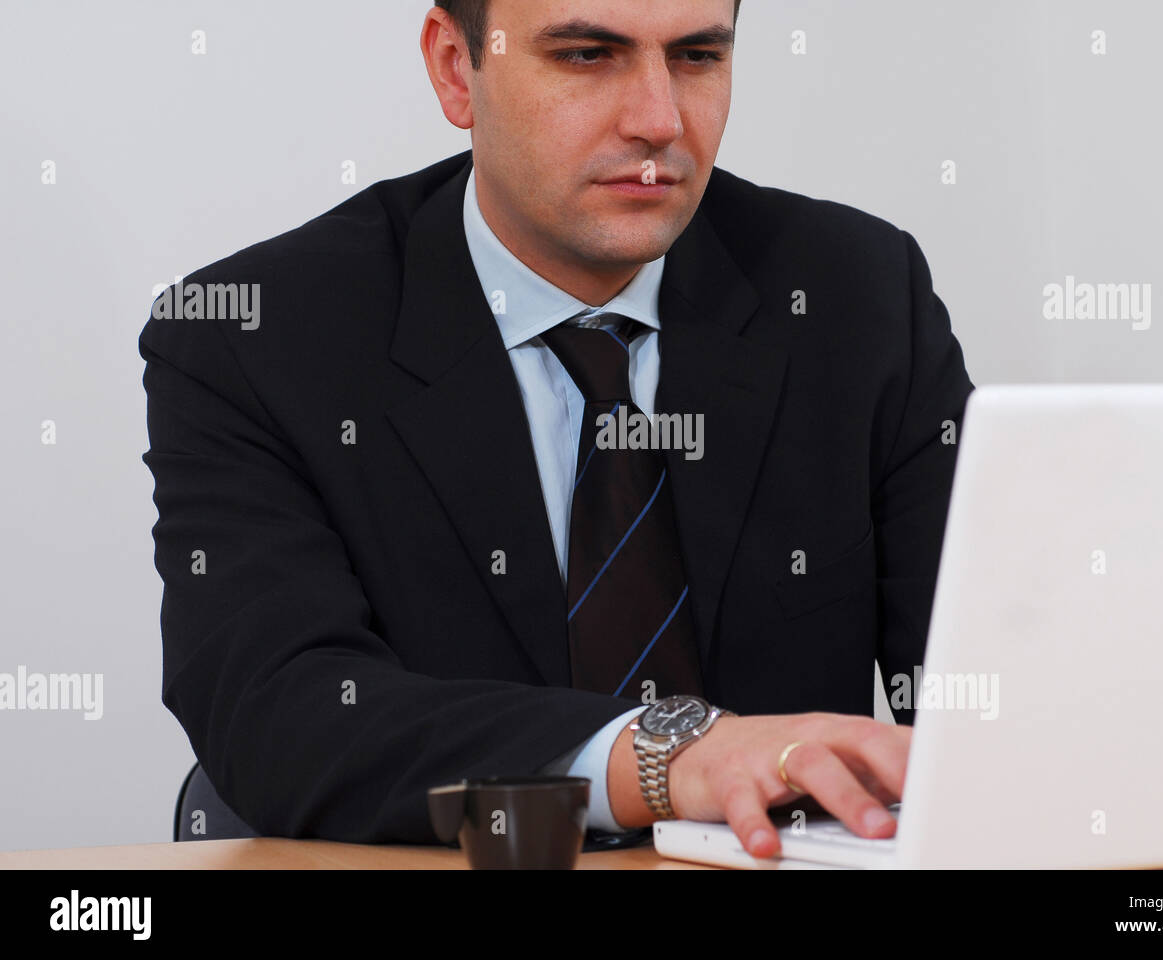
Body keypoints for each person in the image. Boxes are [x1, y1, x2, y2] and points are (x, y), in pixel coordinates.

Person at [139, 0, 975, 860]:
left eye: (695, 56)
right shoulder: (256, 339)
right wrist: (665, 757)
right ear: (456, 67)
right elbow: (278, 712)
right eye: (586, 55)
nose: (659, 120)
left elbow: (994, 693)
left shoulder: (858, 297)